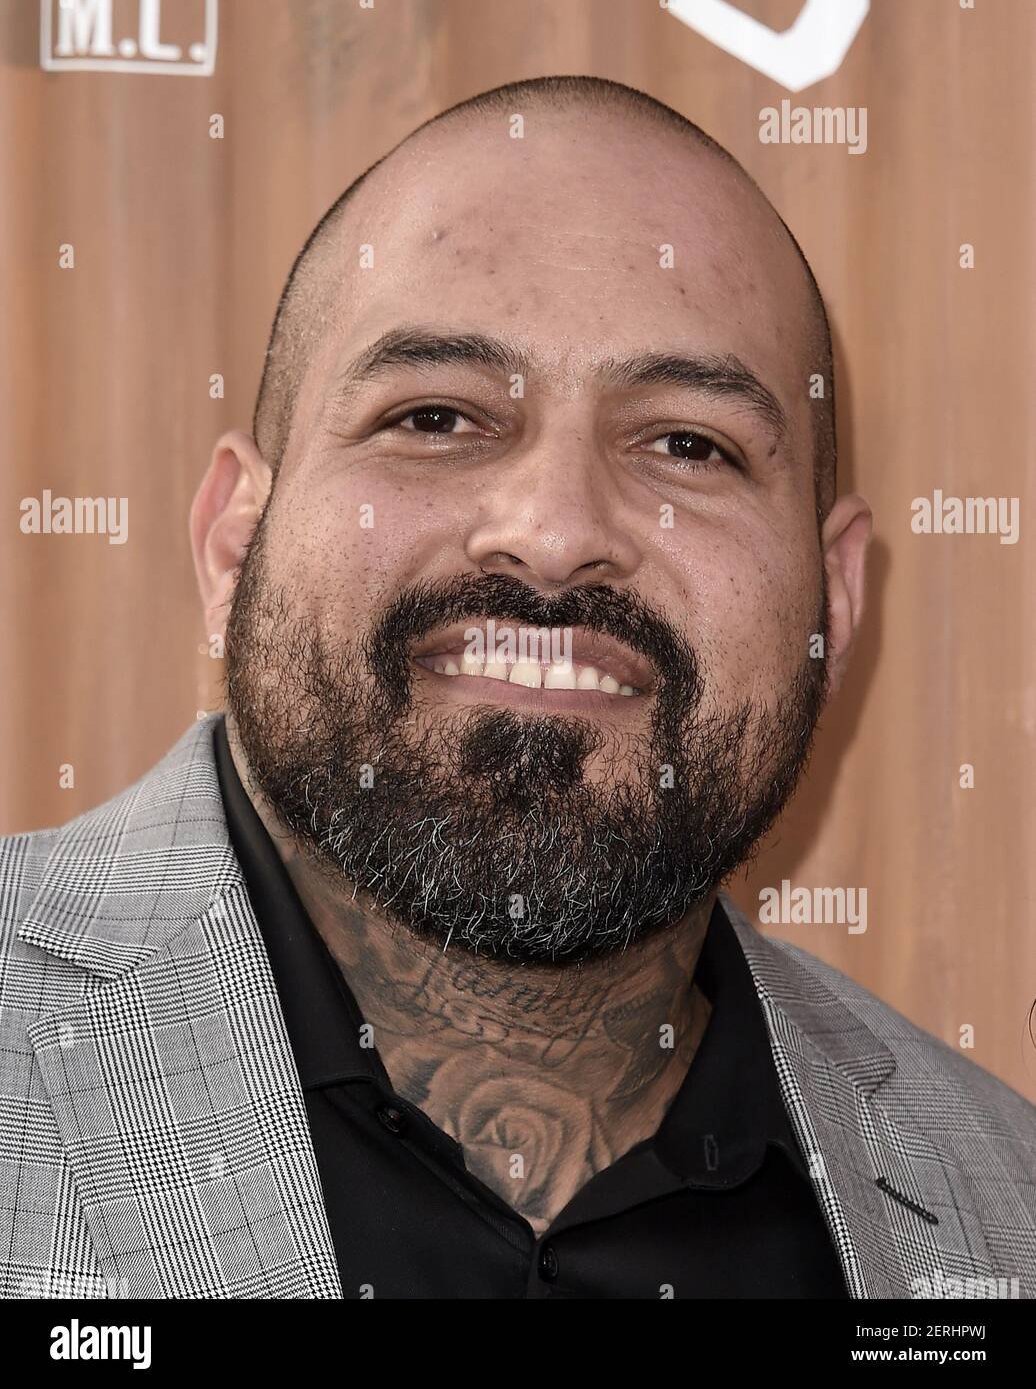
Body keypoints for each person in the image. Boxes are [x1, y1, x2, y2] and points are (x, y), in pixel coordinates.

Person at [2, 76, 1033, 1301]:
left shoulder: (1001, 1204)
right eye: (435, 416)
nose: (551, 533)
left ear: (834, 601)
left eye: (687, 443)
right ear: (234, 545)